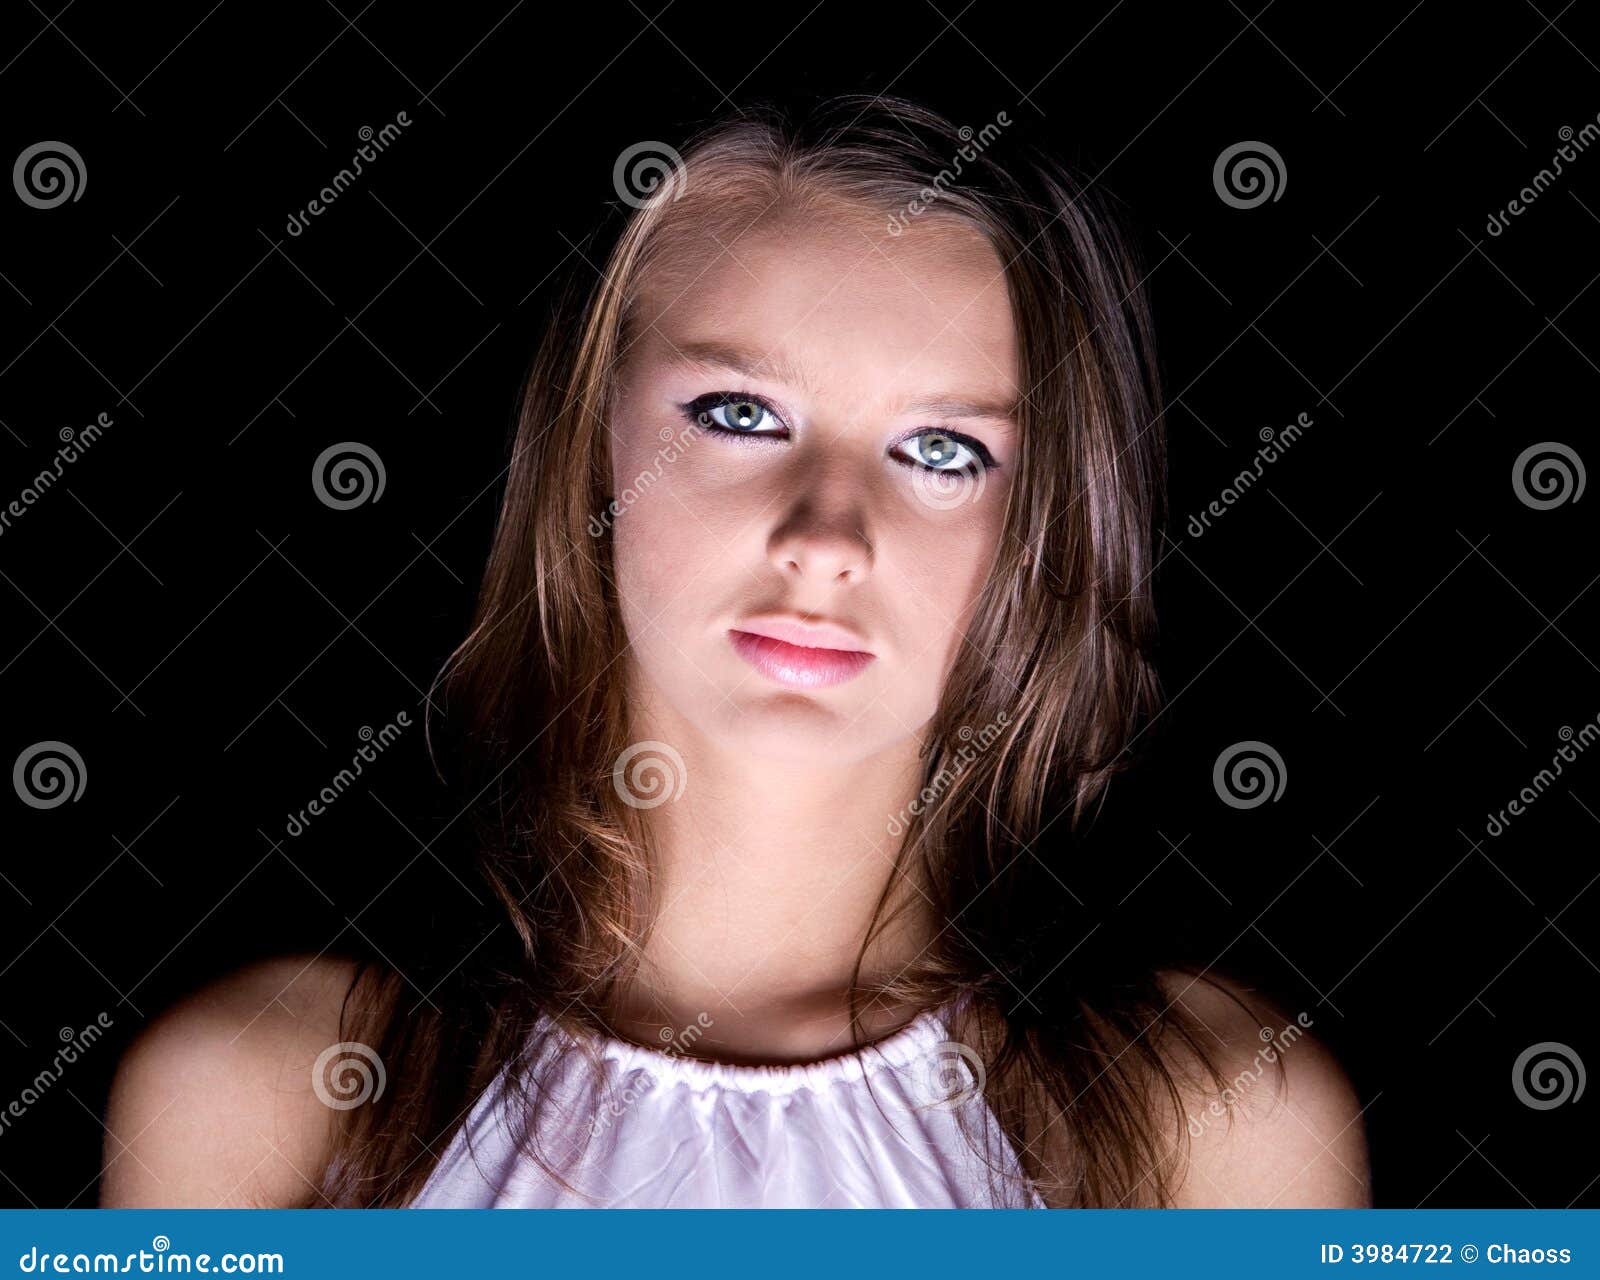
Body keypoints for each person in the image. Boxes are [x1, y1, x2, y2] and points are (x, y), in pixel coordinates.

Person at [100, 96, 1371, 1209]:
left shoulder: (1210, 1120)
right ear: (588, 452)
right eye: (738, 413)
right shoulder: (263, 1092)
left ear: (1052, 527)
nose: (825, 537)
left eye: (942, 451)